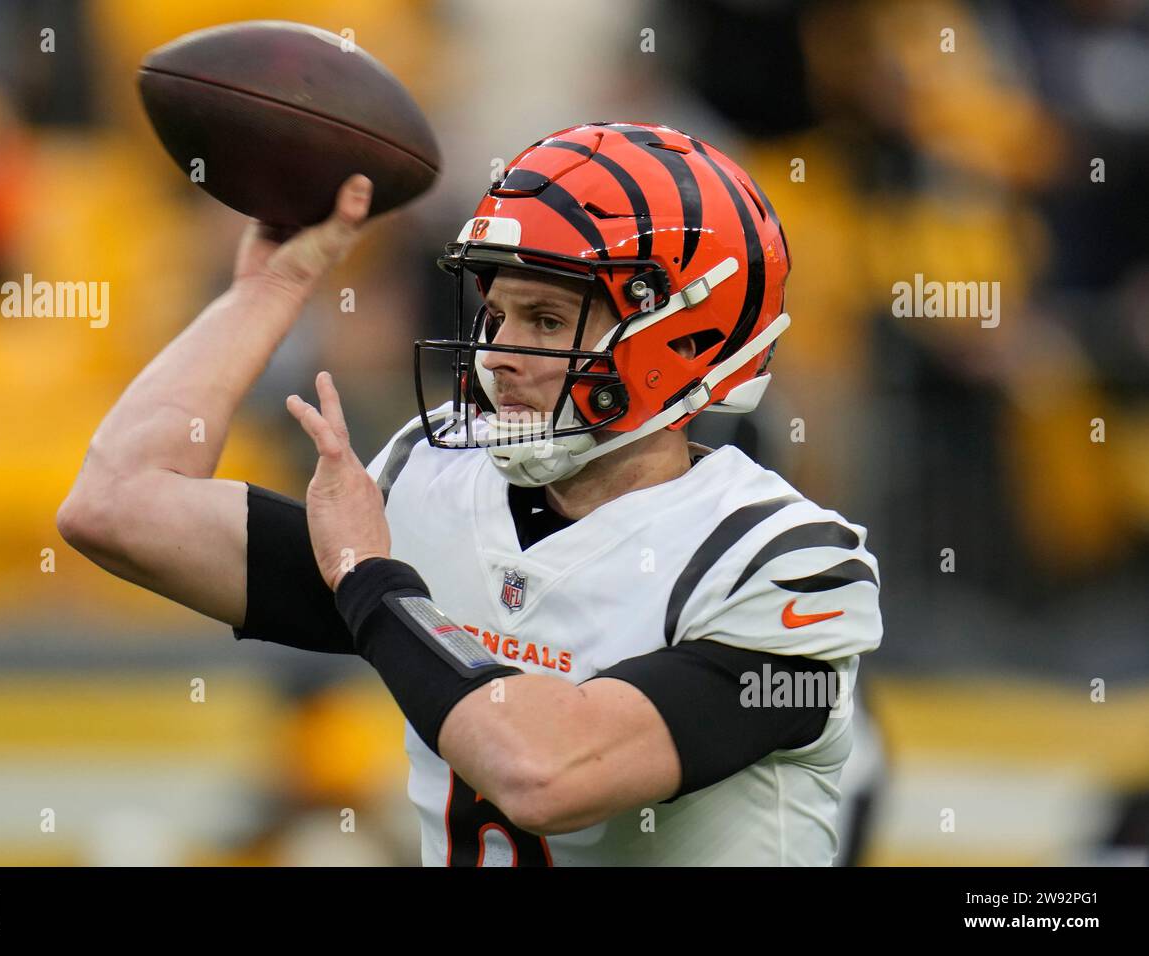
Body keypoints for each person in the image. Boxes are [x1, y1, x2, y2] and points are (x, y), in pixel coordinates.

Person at [58, 122, 882, 866]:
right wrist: (266, 293)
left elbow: (544, 773)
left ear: (681, 336)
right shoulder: (439, 477)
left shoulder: (787, 566)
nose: (501, 354)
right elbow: (118, 504)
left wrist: (371, 583)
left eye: (548, 321)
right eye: (497, 313)